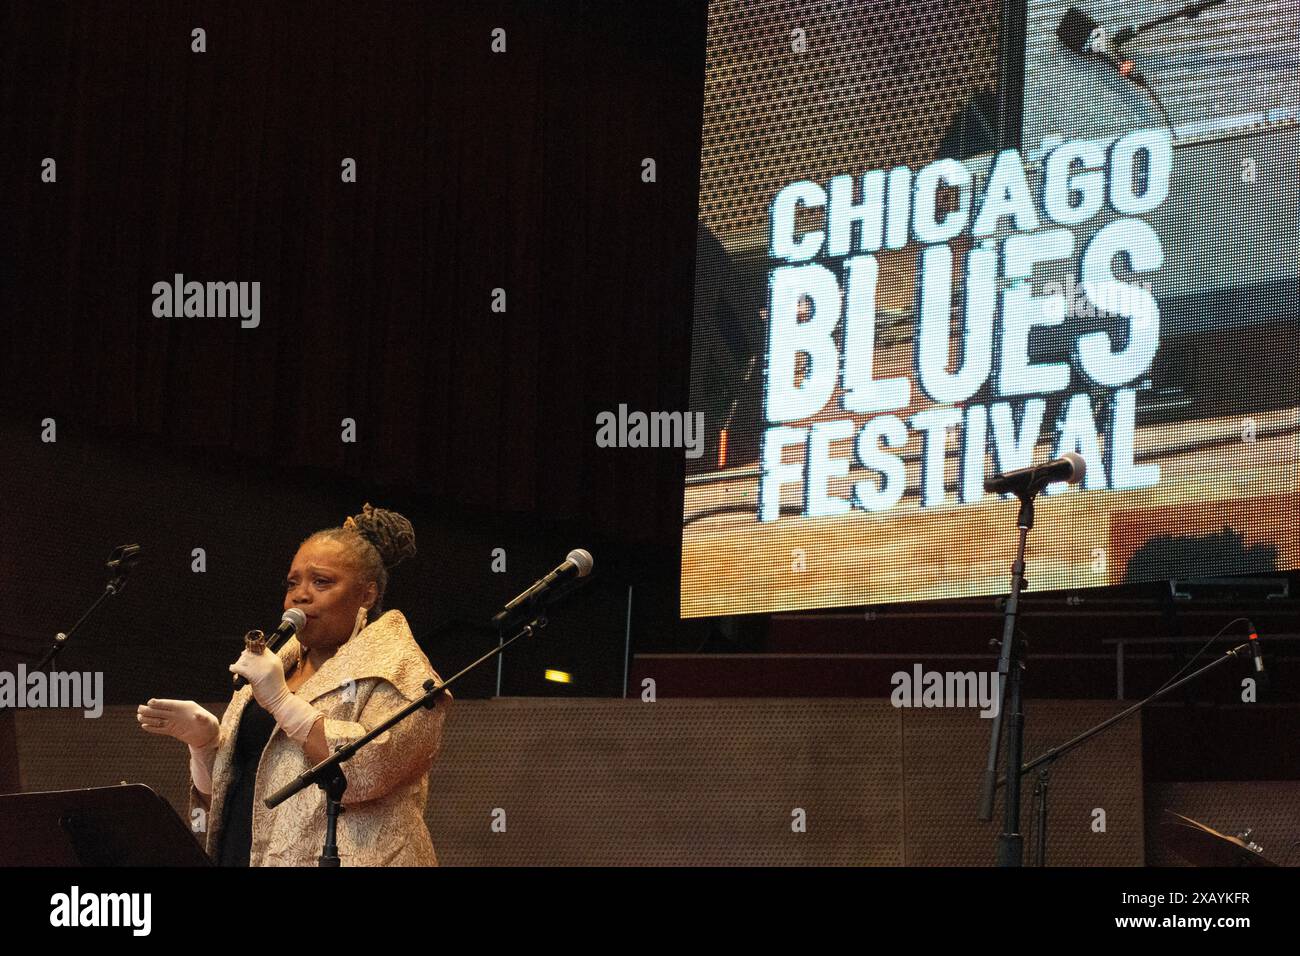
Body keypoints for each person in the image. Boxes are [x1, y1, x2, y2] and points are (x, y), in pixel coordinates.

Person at [137, 503, 451, 866]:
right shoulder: (276, 665)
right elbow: (228, 802)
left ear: (367, 594)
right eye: (292, 583)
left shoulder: (403, 670)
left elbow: (368, 771)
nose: (300, 595)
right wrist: (206, 746)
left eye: (322, 582)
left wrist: (283, 702)